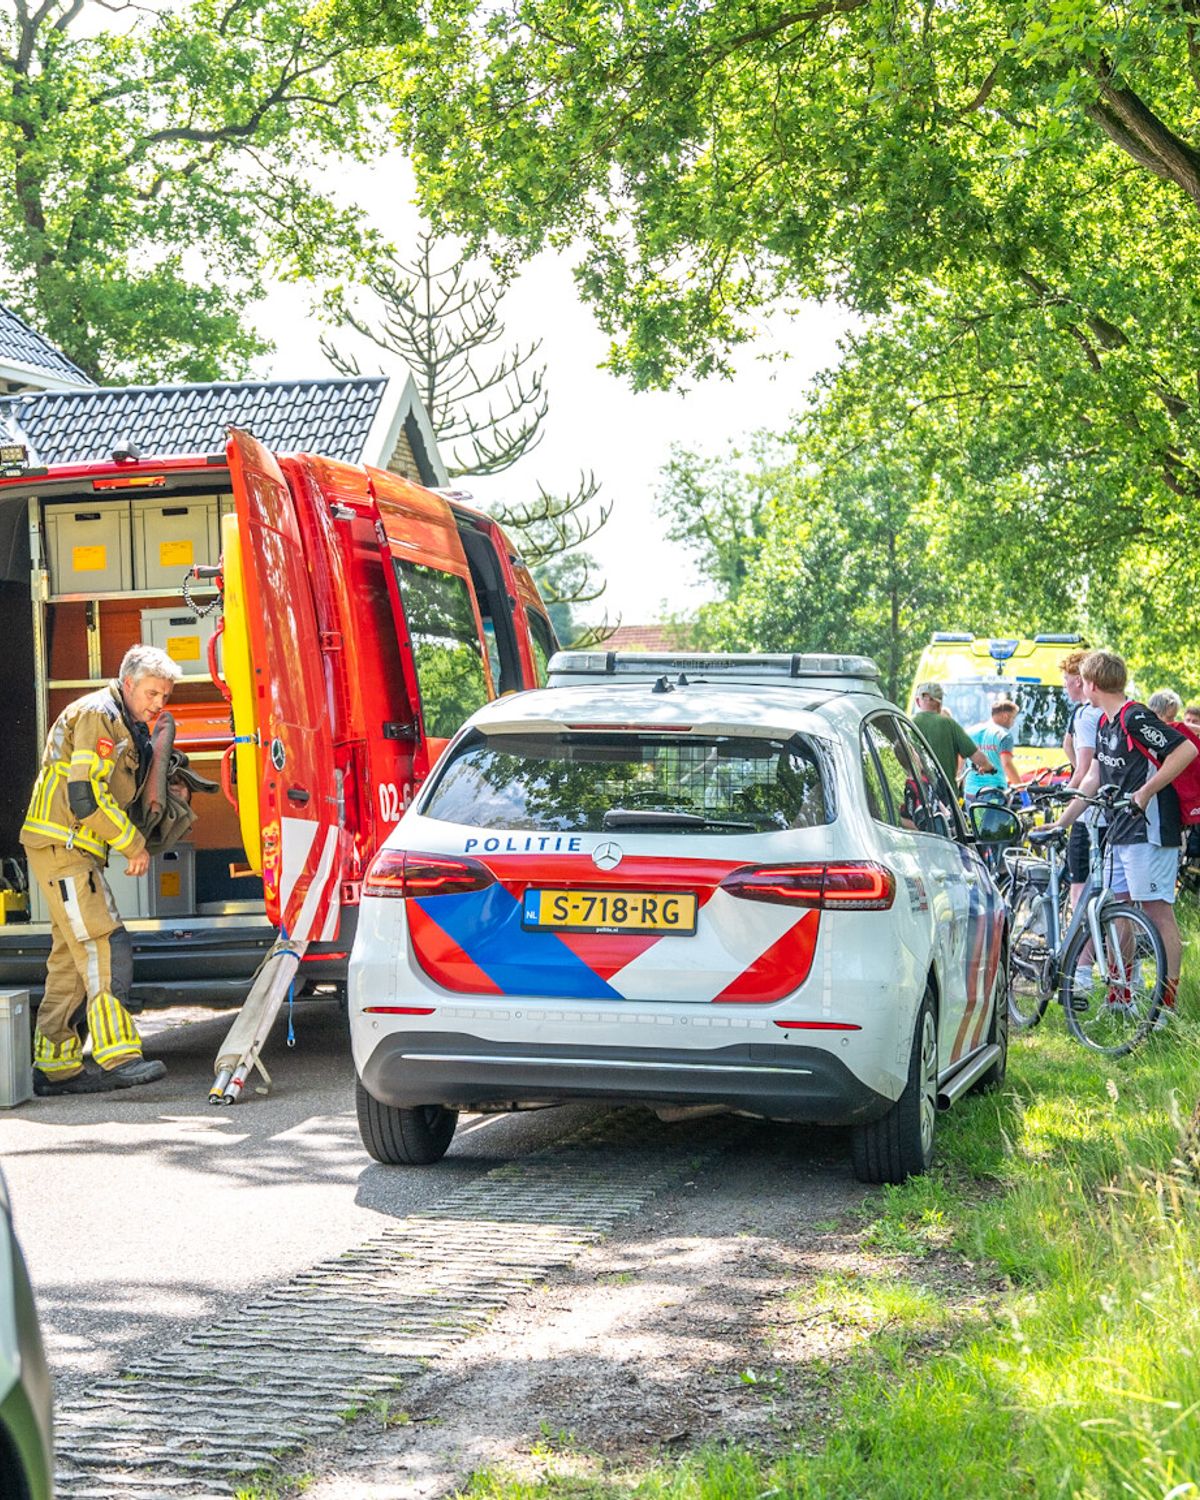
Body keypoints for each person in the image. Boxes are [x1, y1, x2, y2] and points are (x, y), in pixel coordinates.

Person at [21, 645, 183, 1095]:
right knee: (105, 943)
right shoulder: (99, 715)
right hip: (65, 845)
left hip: (67, 847)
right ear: (128, 683)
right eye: (152, 693)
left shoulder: (121, 722)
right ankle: (119, 1056)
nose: (158, 703)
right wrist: (133, 844)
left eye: (165, 696)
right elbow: (85, 796)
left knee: (70, 962)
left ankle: (55, 1067)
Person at [1047, 650, 1197, 1023]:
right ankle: (1121, 994)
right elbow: (1094, 778)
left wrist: (1145, 792)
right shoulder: (1104, 722)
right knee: (1119, 910)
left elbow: (1186, 749)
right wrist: (1061, 823)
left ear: (1092, 684)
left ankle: (1166, 1006)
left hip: (1151, 830)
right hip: (1120, 831)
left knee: (1156, 911)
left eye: (1082, 681)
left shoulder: (1135, 716)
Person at [911, 681, 993, 785]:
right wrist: (987, 766)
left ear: (918, 701)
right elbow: (974, 754)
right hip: (944, 791)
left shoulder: (907, 723)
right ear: (940, 703)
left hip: (917, 790)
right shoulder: (949, 724)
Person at [963, 696, 1024, 803]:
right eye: (1013, 718)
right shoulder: (1004, 736)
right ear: (1005, 716)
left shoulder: (969, 732)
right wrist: (1022, 791)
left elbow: (960, 762)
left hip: (970, 793)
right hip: (994, 794)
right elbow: (1007, 764)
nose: (1013, 723)